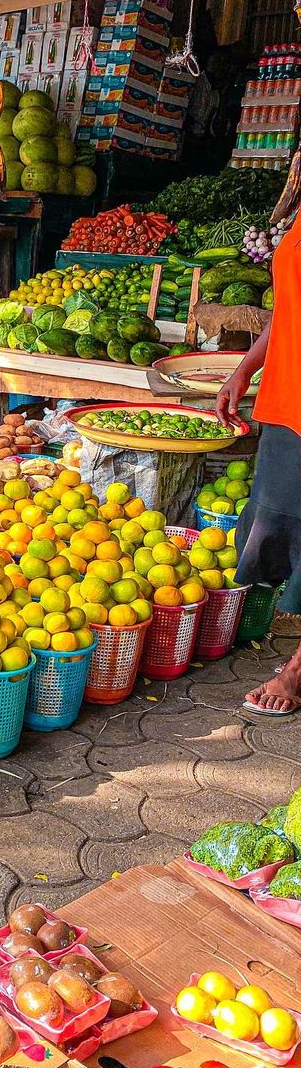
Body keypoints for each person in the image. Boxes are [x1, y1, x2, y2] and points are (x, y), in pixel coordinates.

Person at [216, 157, 301, 715]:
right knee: (273, 523)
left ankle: (296, 672)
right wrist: (246, 368)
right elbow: (287, 306)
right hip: (288, 400)